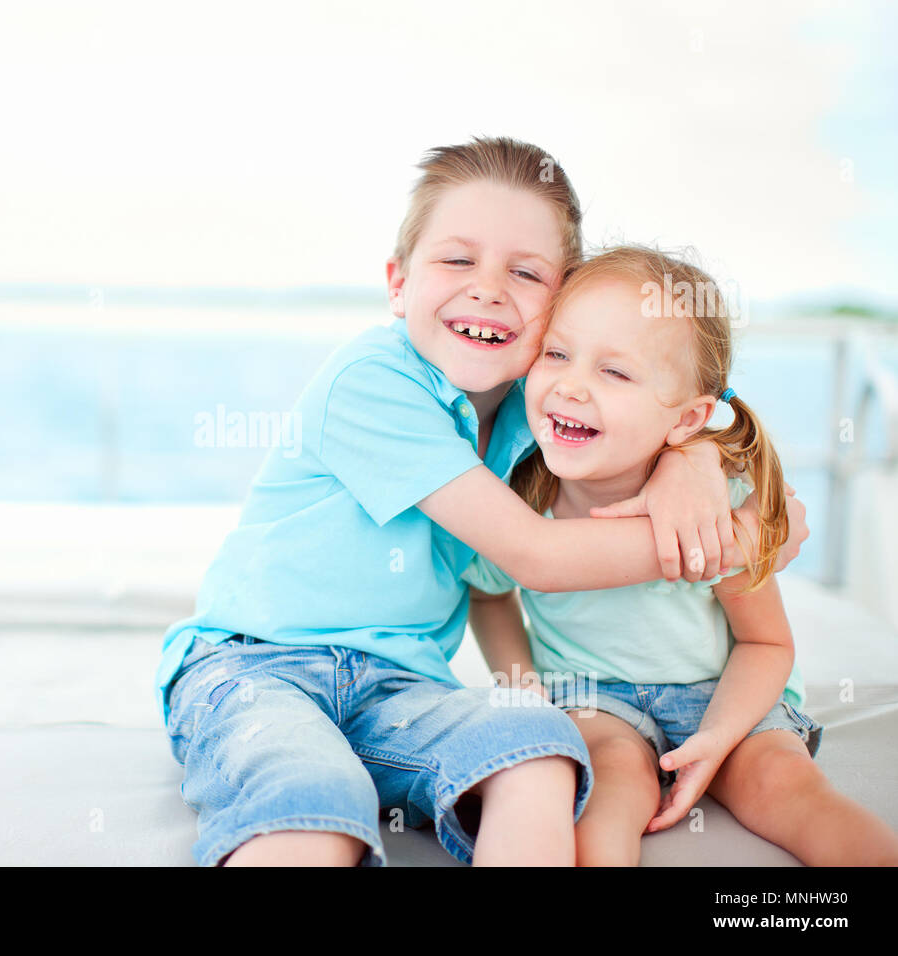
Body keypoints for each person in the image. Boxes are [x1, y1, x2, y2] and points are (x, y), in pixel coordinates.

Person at [157, 140, 808, 867]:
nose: (489, 289)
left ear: (560, 305)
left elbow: (693, 405)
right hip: (257, 666)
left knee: (540, 753)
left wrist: (696, 463)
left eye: (526, 273)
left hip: (402, 688)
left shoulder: (544, 405)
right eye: (457, 260)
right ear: (399, 284)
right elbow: (536, 558)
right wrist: (735, 536)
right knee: (313, 800)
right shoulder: (372, 383)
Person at [465, 245, 898, 865]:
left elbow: (765, 644)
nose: (571, 384)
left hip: (723, 695)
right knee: (608, 790)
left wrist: (718, 740)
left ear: (689, 417)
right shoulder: (522, 500)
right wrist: (524, 685)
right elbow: (488, 589)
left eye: (615, 373)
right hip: (595, 698)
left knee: (787, 786)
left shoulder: (716, 511)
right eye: (556, 354)